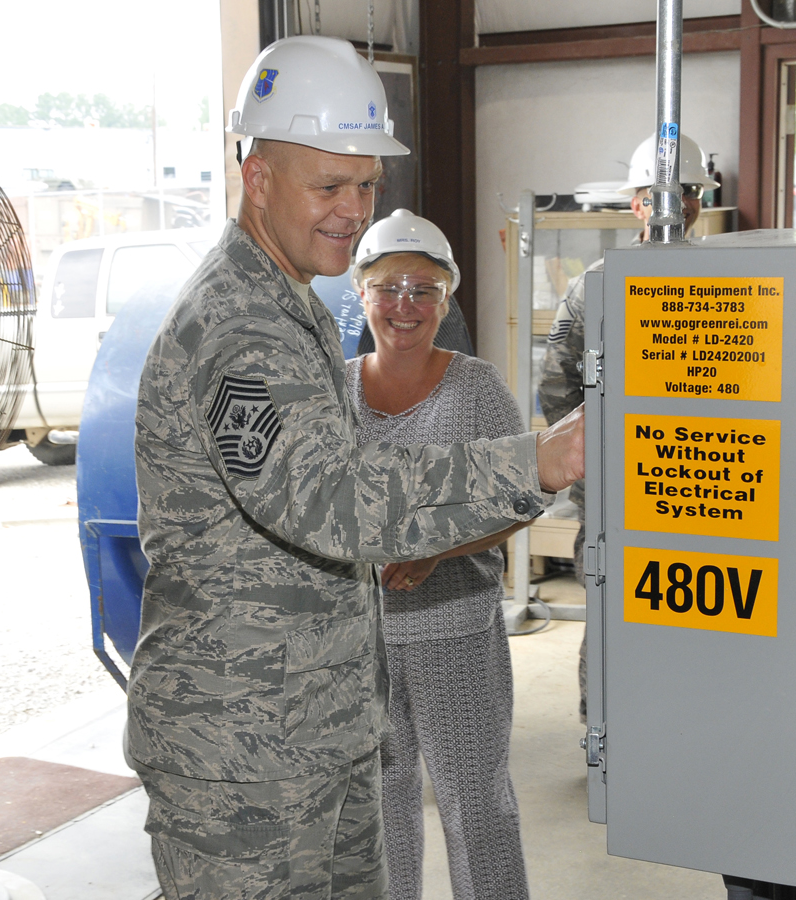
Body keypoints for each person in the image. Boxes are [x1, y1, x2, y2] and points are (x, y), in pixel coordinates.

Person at [130, 36, 584, 899]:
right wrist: (541, 459)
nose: (351, 208)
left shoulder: (290, 303)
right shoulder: (237, 326)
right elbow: (328, 499)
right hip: (242, 755)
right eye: (327, 185)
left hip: (318, 730)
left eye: (366, 185)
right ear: (256, 175)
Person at [346, 210, 531, 899]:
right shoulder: (334, 390)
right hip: (361, 640)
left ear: (445, 299)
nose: (404, 305)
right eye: (388, 287)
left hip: (457, 633)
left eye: (423, 289)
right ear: (361, 294)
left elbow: (522, 496)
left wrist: (440, 547)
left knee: (475, 804)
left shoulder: (475, 388)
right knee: (380, 806)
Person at [537, 132, 718, 721]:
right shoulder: (595, 285)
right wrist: (588, 467)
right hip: (617, 486)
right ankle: (605, 725)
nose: (679, 203)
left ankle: (683, 719)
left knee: (695, 604)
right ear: (637, 203)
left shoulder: (728, 279)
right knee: (613, 601)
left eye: (689, 191)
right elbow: (559, 385)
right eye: (663, 192)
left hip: (699, 478)